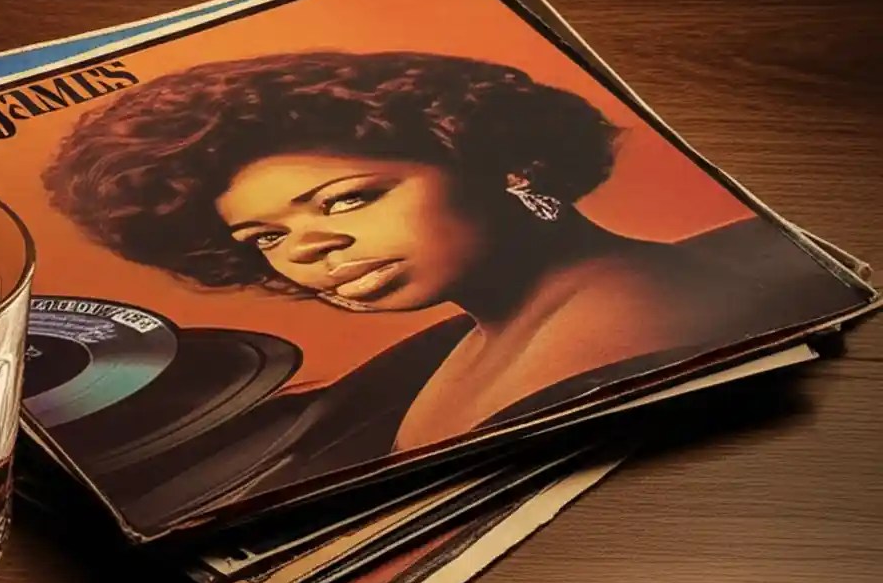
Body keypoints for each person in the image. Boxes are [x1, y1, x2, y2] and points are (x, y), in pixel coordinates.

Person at [40, 50, 833, 460]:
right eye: (267, 239)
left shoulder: (638, 313)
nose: (310, 248)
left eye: (348, 198)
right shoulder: (483, 335)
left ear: (502, 163)